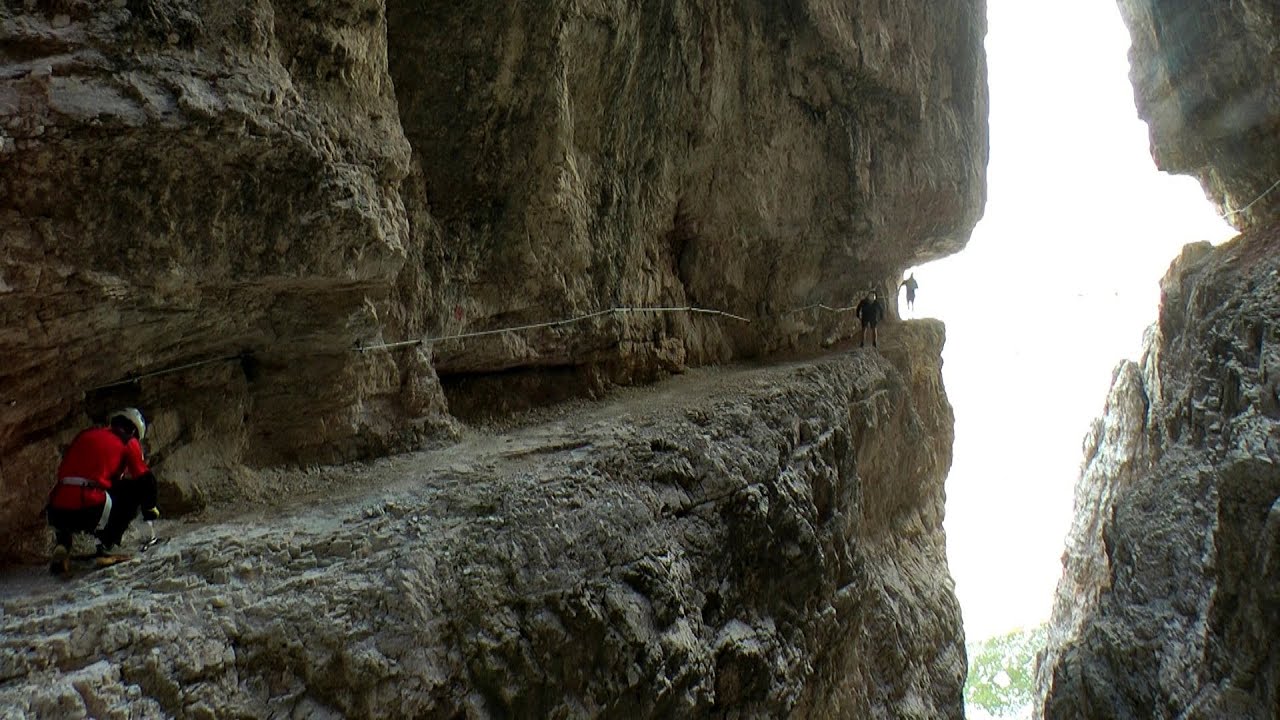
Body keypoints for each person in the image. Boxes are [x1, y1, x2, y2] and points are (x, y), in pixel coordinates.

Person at [45, 408, 160, 575]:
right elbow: (145, 479)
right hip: (89, 506)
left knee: (77, 490)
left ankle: (63, 545)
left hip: (56, 509)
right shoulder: (128, 441)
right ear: (134, 430)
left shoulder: (86, 434)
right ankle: (103, 548)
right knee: (132, 490)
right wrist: (150, 508)